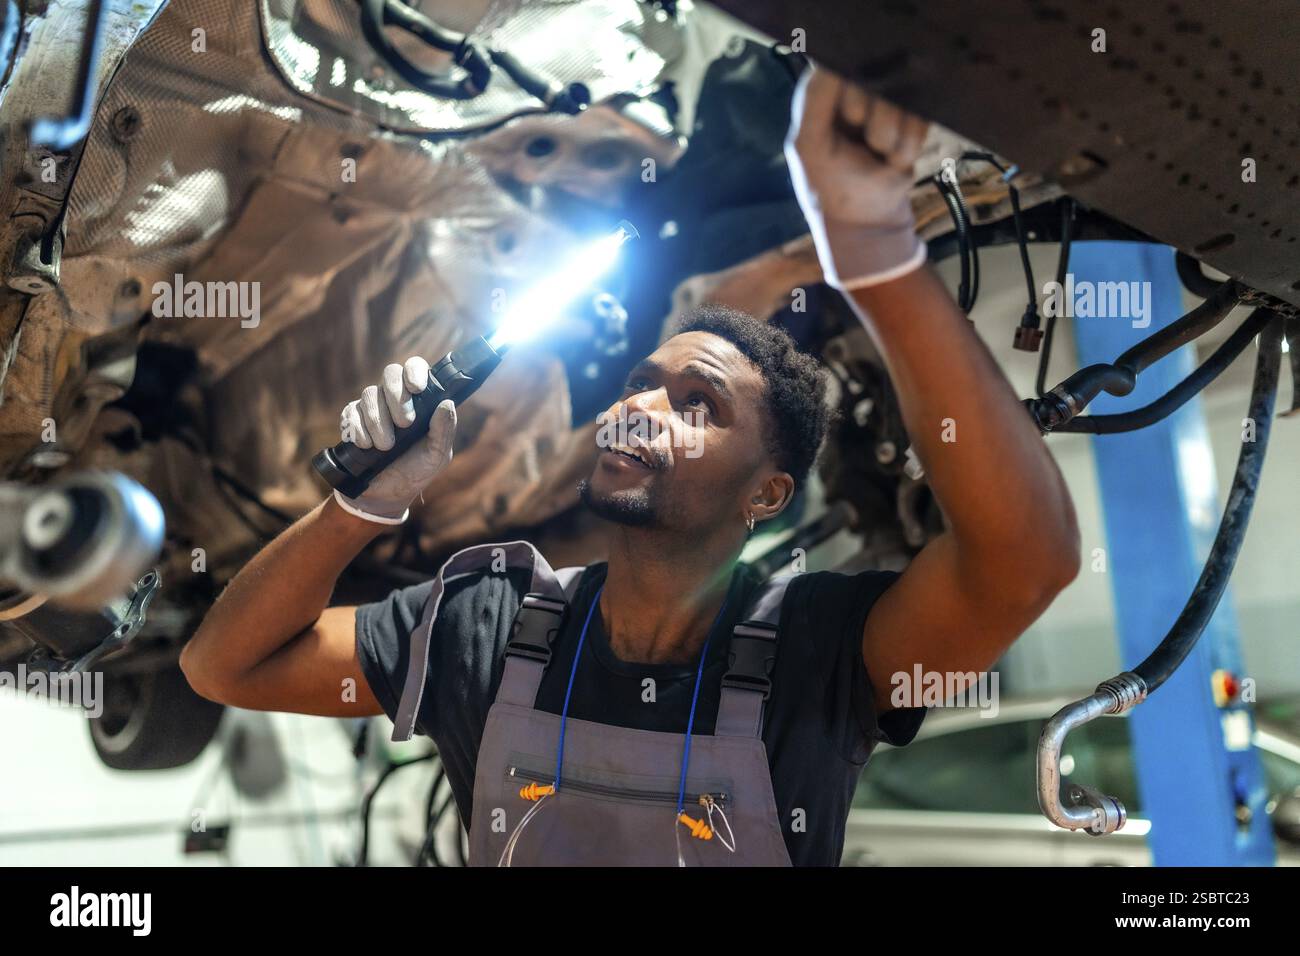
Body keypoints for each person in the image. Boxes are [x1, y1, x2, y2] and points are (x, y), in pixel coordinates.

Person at [180, 68, 1080, 866]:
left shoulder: (821, 650)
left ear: (769, 493)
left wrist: (872, 244)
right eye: (642, 384)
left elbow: (1022, 565)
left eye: (699, 404)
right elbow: (226, 668)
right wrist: (361, 509)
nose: (642, 406)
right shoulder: (482, 626)